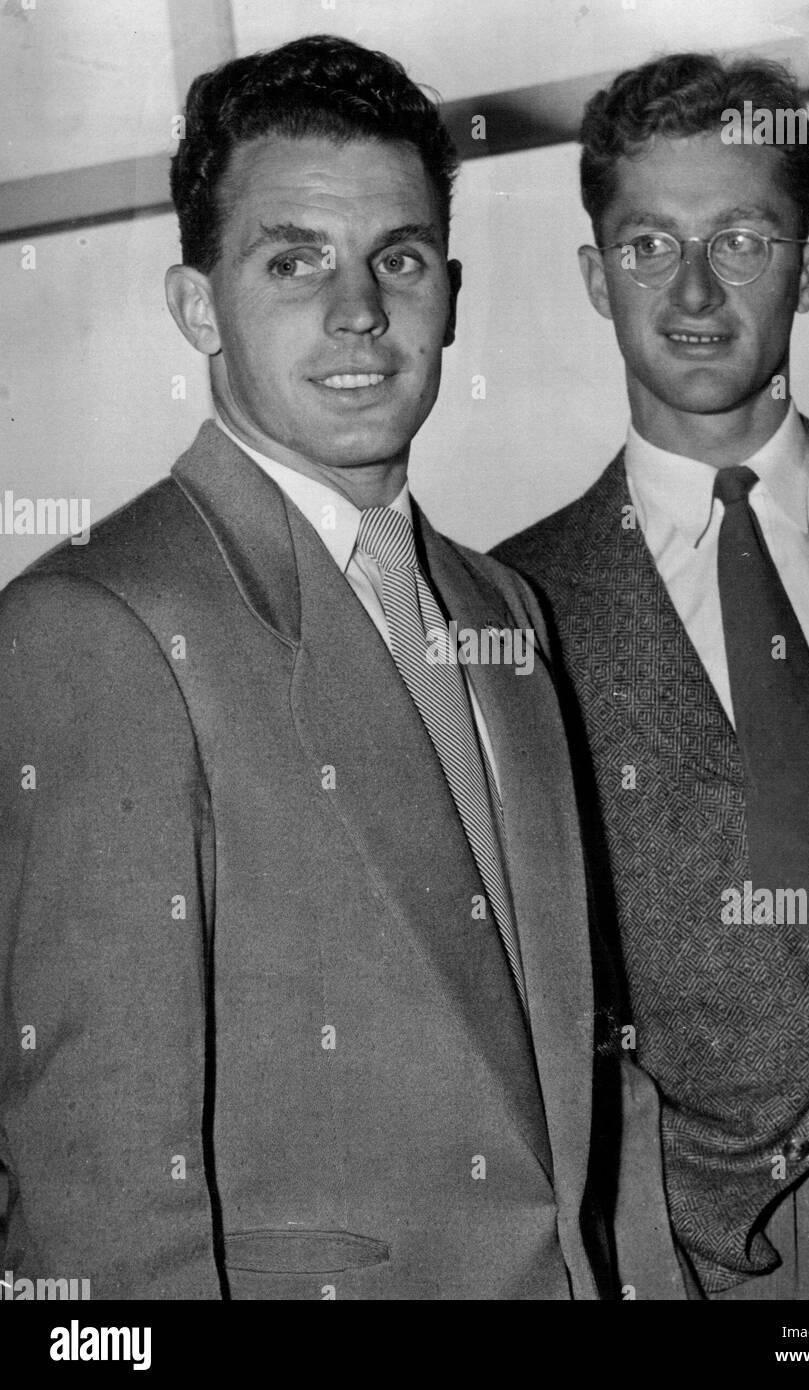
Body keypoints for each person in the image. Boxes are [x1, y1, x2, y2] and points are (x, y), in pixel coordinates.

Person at [0, 35, 683, 1301]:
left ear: (451, 295)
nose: (359, 308)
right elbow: (98, 1208)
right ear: (198, 303)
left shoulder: (503, 610)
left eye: (399, 259)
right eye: (293, 257)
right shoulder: (101, 625)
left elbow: (591, 1076)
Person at [496, 51, 809, 1299]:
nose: (693, 290)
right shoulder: (506, 614)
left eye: (742, 241)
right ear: (598, 278)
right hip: (709, 1250)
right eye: (648, 247)